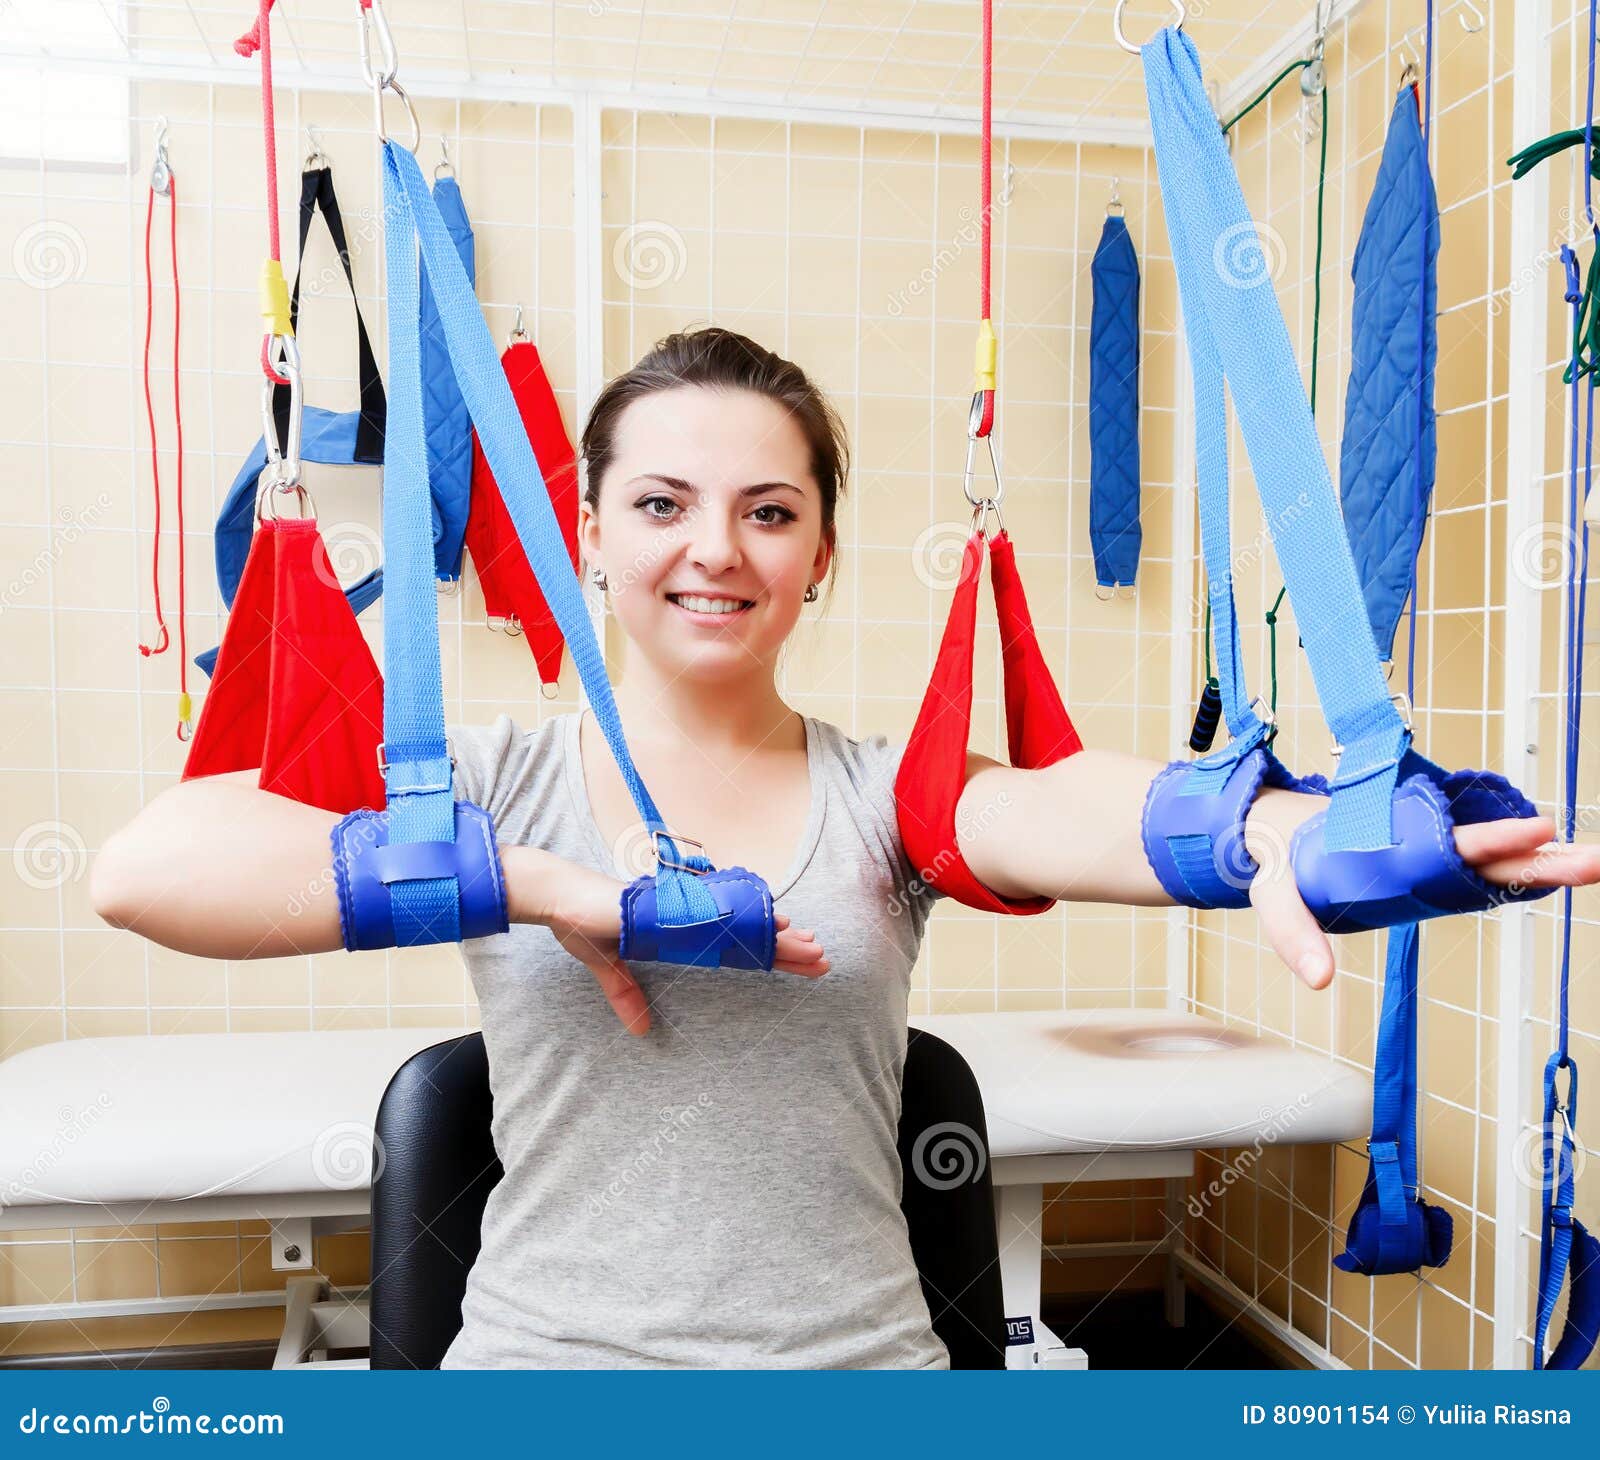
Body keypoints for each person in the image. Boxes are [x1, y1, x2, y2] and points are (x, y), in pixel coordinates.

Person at [91, 326, 1597, 1369]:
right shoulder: (485, 781)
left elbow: (1045, 806)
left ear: (818, 557)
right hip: (548, 1372)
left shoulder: (891, 796)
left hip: (858, 1373)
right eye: (663, 504)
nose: (716, 550)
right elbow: (147, 869)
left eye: (769, 511)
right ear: (589, 536)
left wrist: (1269, 828)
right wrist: (549, 886)